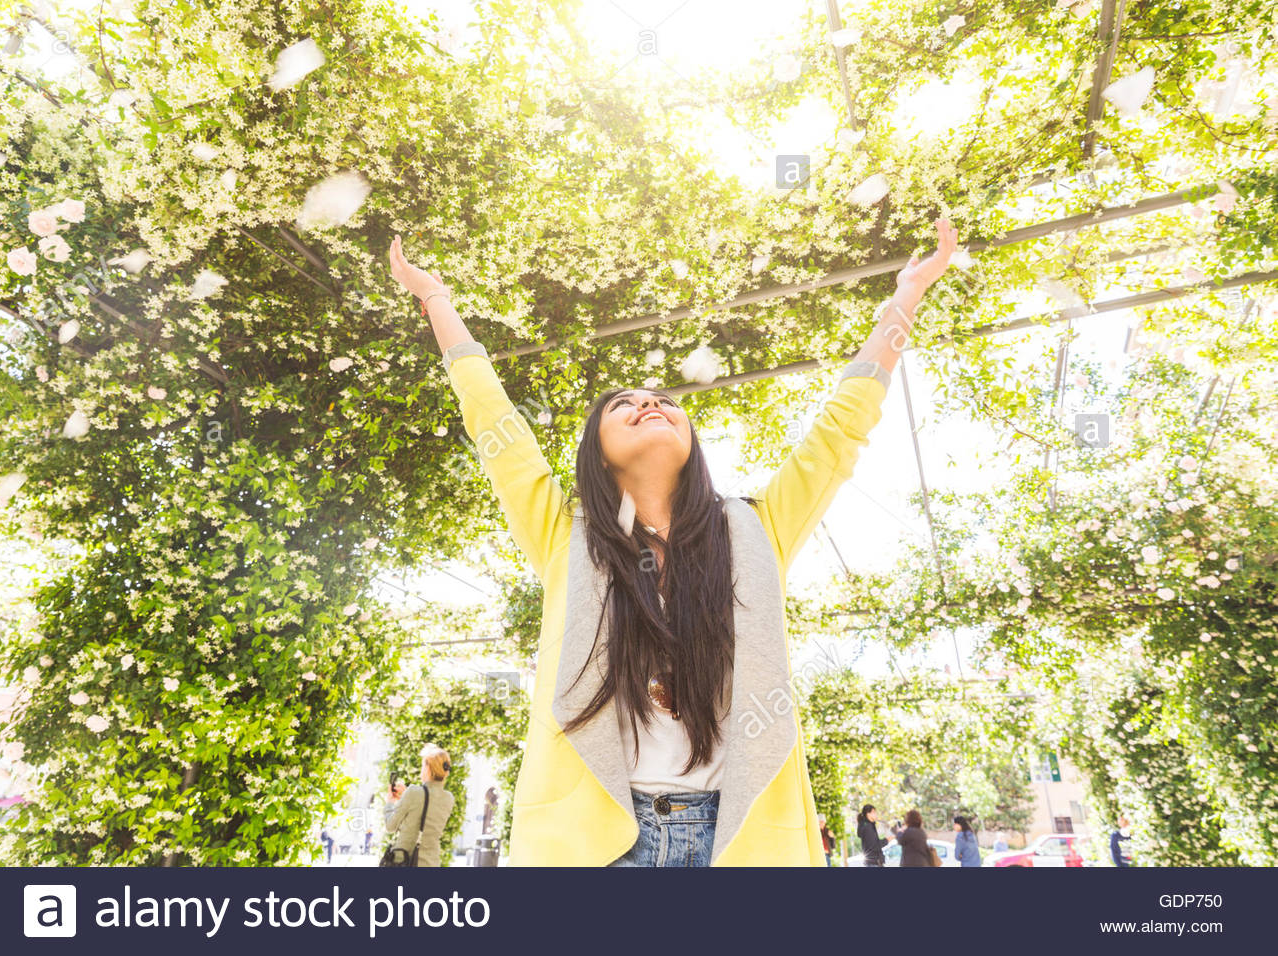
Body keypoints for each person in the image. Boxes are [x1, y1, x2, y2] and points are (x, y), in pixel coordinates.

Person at [389, 219, 960, 866]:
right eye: (622, 405)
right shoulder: (563, 532)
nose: (648, 403)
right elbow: (494, 422)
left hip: (734, 846)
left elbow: (840, 430)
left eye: (661, 398)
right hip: (598, 848)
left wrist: (905, 298)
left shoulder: (757, 527)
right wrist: (436, 299)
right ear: (596, 458)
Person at [385, 745, 456, 867]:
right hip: (431, 863)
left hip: (405, 861)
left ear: (428, 768)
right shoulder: (448, 798)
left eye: (423, 765)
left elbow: (390, 826)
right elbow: (426, 807)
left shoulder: (413, 792)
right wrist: (405, 795)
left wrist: (390, 803)